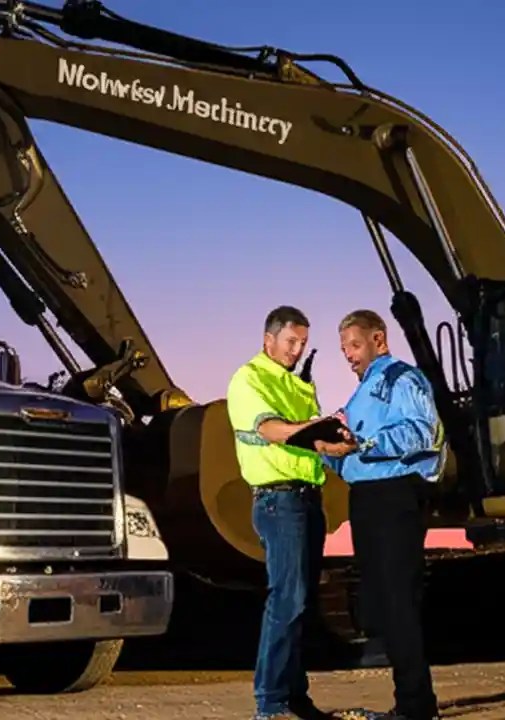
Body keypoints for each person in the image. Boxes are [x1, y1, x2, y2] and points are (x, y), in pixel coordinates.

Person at [226, 305, 358, 720]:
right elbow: (270, 429)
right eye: (290, 342)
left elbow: (305, 441)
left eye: (302, 343)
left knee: (301, 601)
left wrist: (330, 443)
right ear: (269, 340)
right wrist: (315, 431)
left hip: (306, 499)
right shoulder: (249, 379)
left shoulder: (297, 384)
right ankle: (270, 703)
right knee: (287, 598)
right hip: (277, 500)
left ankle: (295, 698)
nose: (296, 350)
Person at [324, 309, 443, 720]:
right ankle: (409, 700)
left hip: (394, 497)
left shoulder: (401, 379)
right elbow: (353, 457)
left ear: (379, 339)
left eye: (354, 346)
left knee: (398, 601)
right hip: (368, 499)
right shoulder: (361, 393)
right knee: (383, 604)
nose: (348, 356)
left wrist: (362, 443)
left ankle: (416, 706)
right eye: (343, 349)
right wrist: (328, 450)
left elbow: (420, 433)